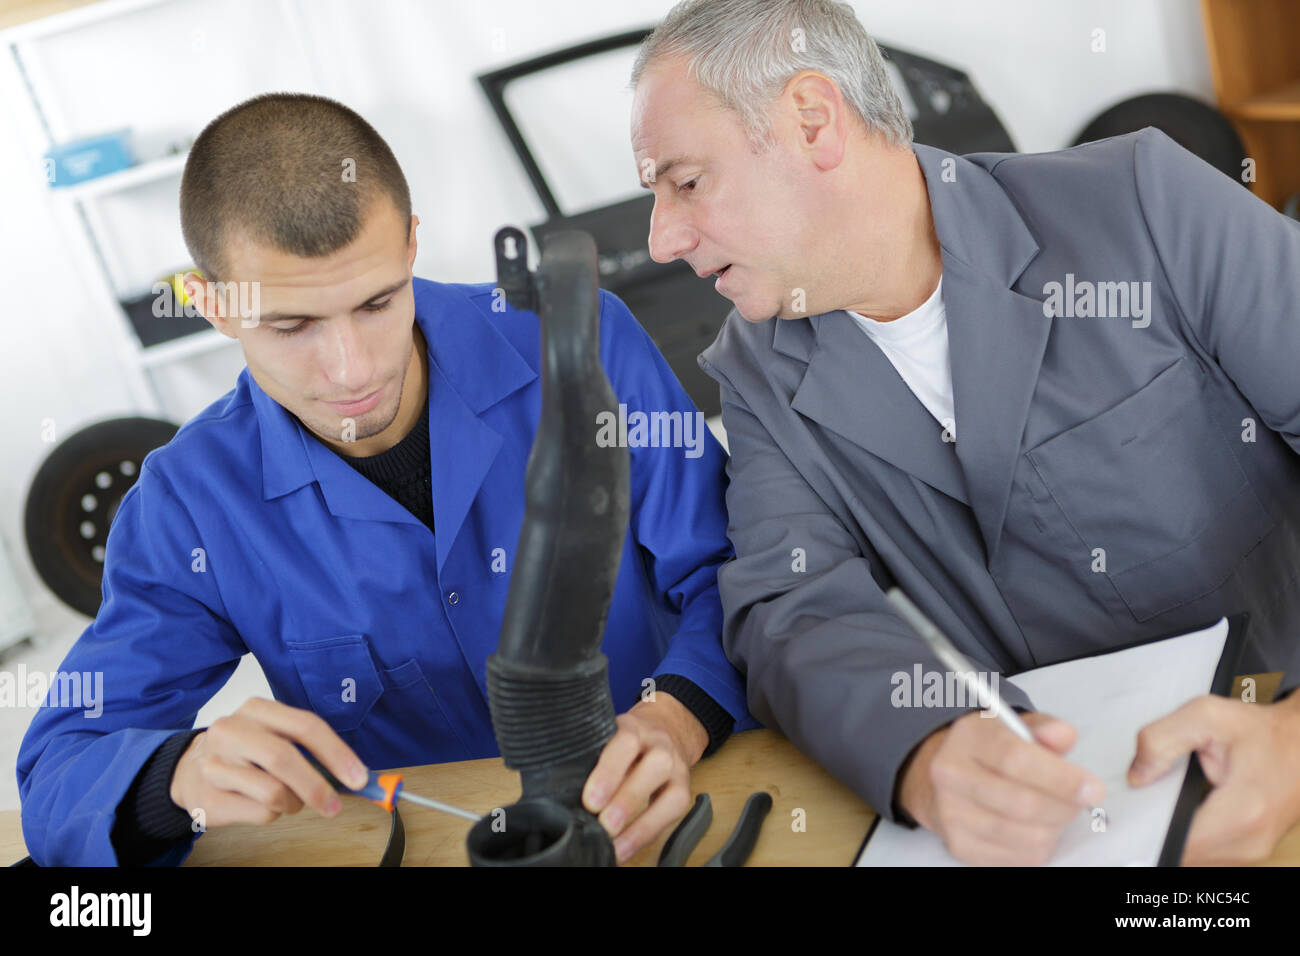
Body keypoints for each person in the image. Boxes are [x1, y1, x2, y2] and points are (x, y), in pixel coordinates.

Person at [630, 0, 1300, 865]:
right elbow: (789, 610)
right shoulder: (757, 372)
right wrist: (924, 752)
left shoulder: (1146, 205)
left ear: (811, 120)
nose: (660, 238)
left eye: (685, 182)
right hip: (1061, 826)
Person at [17, 92, 753, 866]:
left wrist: (681, 712)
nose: (353, 370)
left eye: (375, 304)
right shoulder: (190, 505)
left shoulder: (582, 347)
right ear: (211, 306)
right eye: (291, 325)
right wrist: (171, 778)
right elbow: (62, 768)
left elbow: (738, 571)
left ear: (409, 245)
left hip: (682, 814)